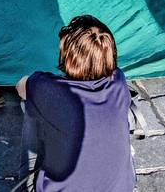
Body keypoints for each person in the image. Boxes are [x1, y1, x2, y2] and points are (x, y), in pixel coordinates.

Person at [17, 15, 135, 192]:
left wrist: (39, 84)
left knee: (29, 105)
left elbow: (20, 86)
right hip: (121, 187)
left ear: (70, 59)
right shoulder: (119, 80)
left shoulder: (49, 89)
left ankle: (27, 172)